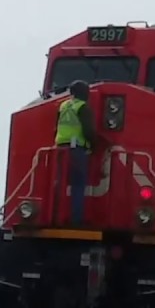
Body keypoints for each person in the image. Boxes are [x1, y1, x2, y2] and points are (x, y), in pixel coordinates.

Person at [55, 80, 100, 225]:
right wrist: (94, 145)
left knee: (59, 183)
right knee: (78, 184)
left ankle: (56, 216)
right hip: (77, 149)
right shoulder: (83, 108)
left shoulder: (63, 106)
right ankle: (76, 219)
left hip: (60, 148)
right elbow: (88, 131)